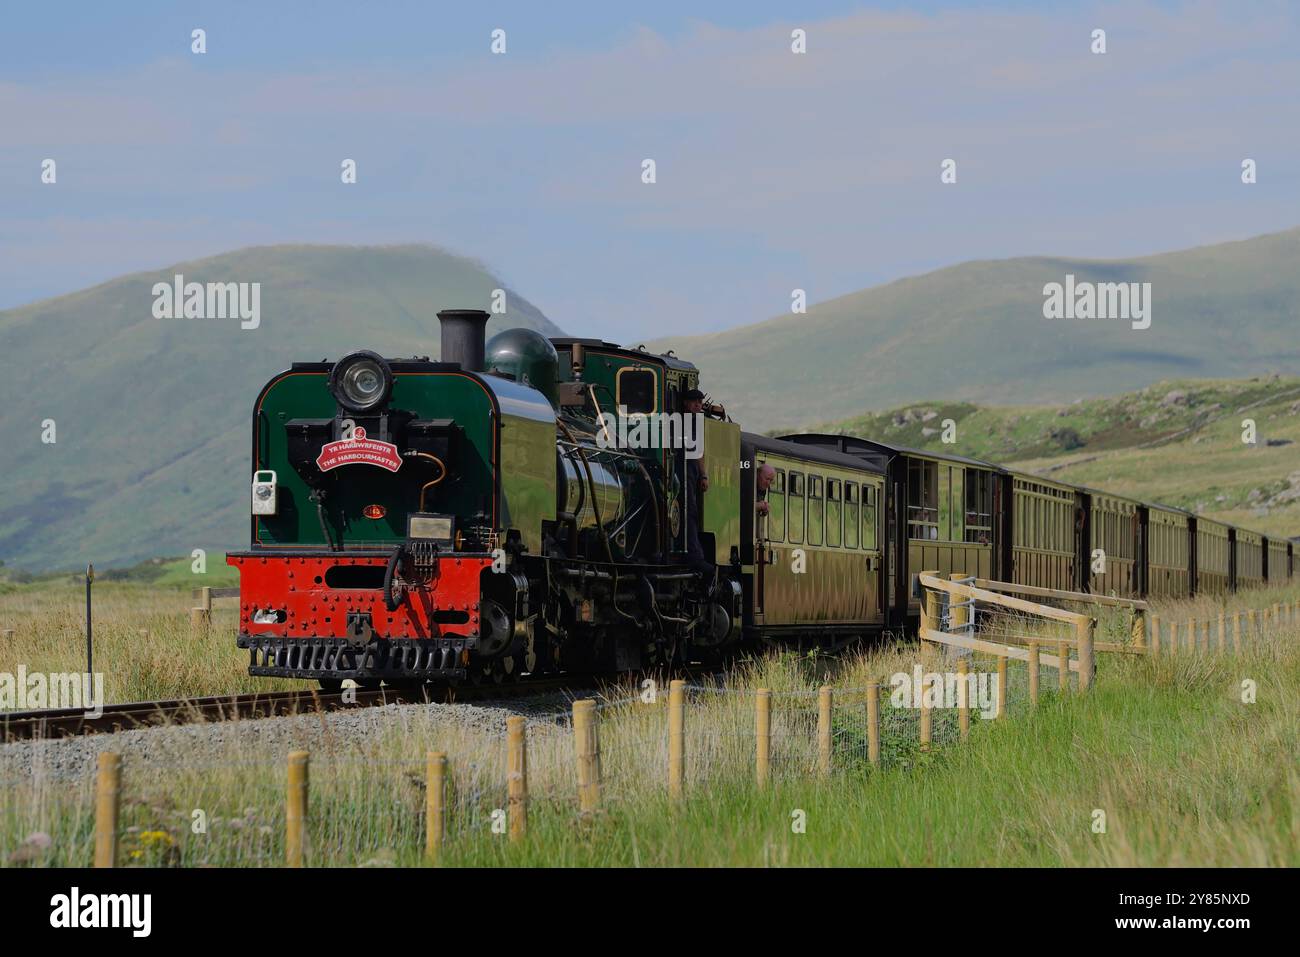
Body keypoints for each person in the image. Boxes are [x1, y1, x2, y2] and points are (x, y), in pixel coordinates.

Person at [680, 388, 713, 579]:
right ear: (685, 403)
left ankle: (693, 552)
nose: (697, 405)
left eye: (699, 402)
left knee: (691, 511)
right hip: (683, 468)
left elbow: (699, 450)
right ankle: (692, 553)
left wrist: (703, 475)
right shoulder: (685, 421)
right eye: (694, 402)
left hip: (689, 470)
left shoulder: (695, 422)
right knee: (689, 511)